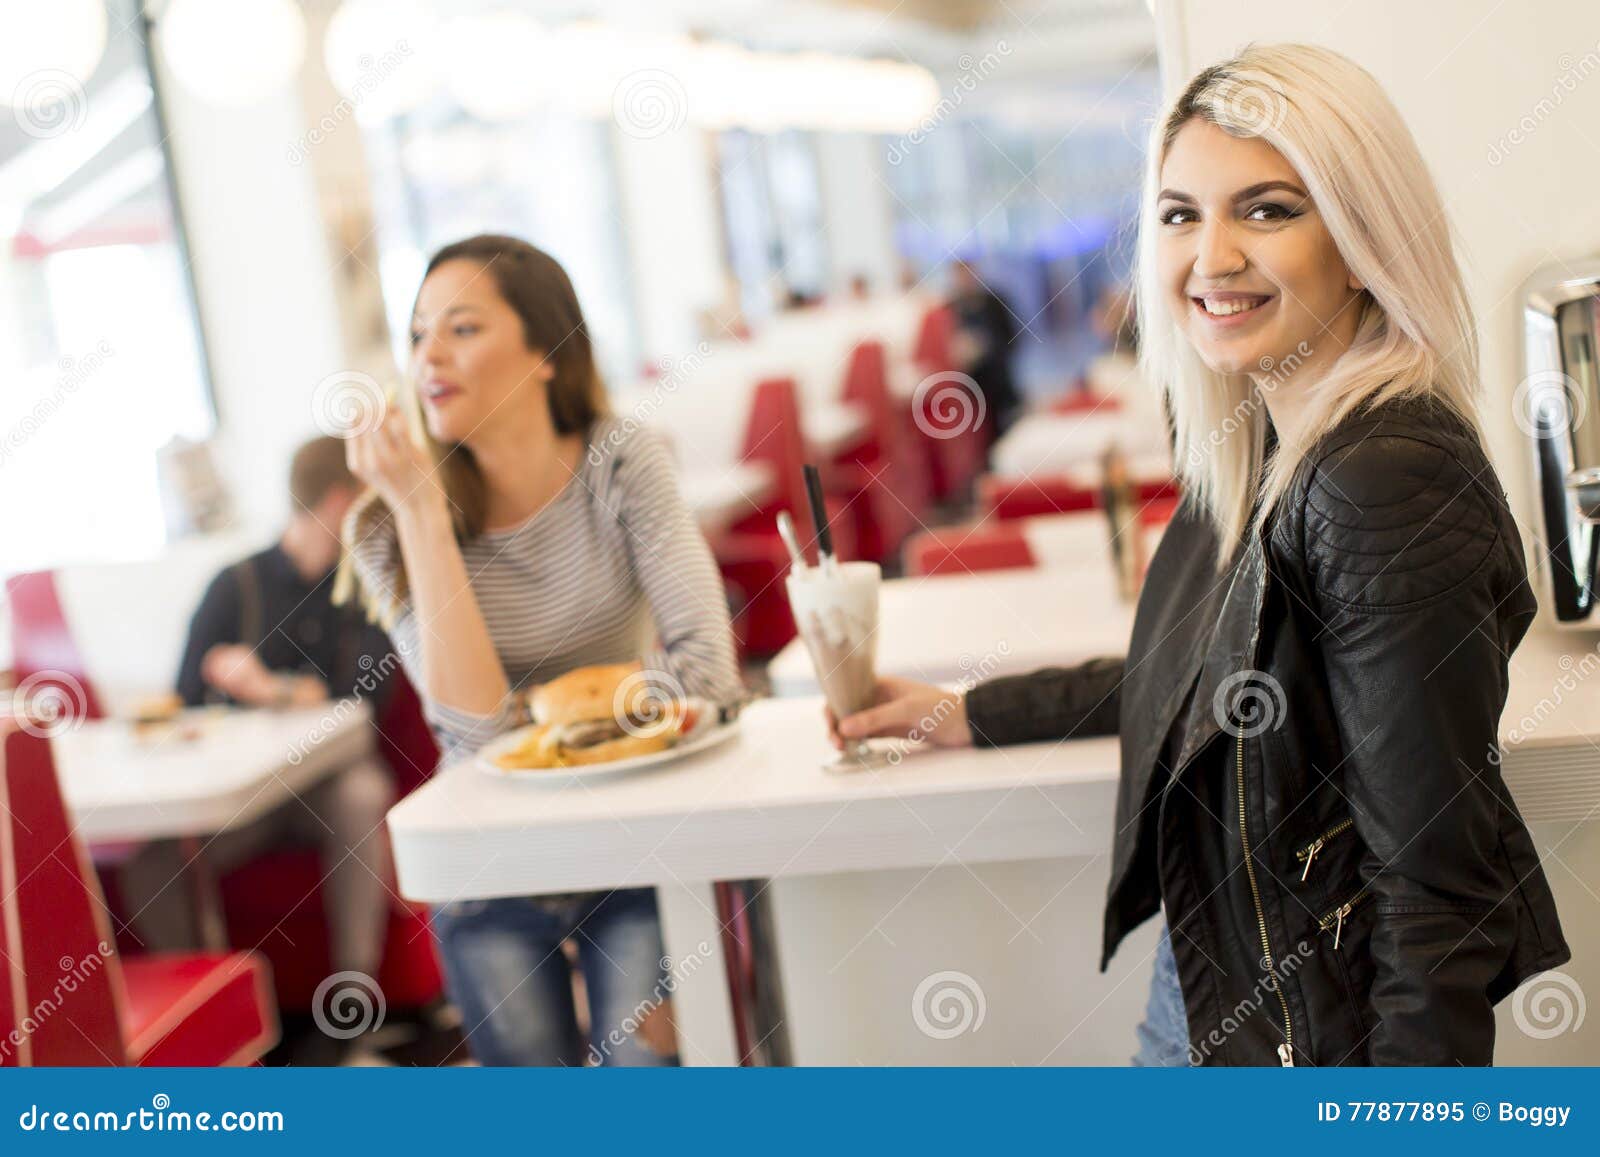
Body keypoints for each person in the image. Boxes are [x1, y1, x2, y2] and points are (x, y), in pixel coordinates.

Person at [829, 44, 1570, 1066]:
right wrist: (973, 711)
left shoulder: (1382, 476)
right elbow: (1206, 680)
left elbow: (1435, 888)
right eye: (1181, 213)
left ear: (1360, 237)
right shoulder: (1268, 438)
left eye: (1266, 210)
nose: (1209, 257)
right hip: (1220, 995)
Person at [336, 234, 744, 1066]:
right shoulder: (386, 527)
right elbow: (481, 733)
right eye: (417, 334)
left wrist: (542, 717)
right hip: (491, 854)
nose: (429, 355)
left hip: (632, 834)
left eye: (463, 328)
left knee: (642, 1076)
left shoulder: (621, 460)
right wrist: (419, 509)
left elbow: (708, 672)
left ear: (547, 352)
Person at [122, 436, 399, 997]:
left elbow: (368, 700)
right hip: (248, 798)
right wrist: (222, 682)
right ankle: (208, 1015)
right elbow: (184, 698)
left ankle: (354, 995)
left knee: (360, 796)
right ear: (341, 502)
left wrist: (269, 688)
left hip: (327, 782)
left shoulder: (367, 586)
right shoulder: (234, 585)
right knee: (151, 865)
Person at [948, 259, 1022, 437]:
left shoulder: (995, 301)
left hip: (997, 370)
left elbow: (1012, 336)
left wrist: (989, 347)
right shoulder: (951, 307)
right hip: (970, 375)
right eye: (961, 276)